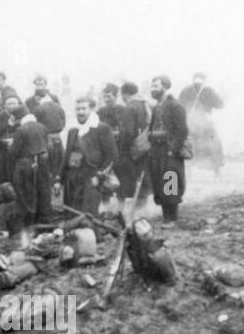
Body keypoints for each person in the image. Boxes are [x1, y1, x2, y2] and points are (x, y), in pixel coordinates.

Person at [62, 97, 118, 216]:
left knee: (89, 216)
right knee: (72, 214)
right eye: (78, 109)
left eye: (83, 108)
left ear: (92, 109)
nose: (80, 112)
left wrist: (99, 176)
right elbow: (68, 156)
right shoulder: (73, 130)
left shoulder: (102, 128)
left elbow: (112, 156)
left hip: (92, 178)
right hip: (74, 178)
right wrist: (58, 179)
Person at [146, 75, 188, 224]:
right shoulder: (156, 106)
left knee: (171, 182)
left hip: (169, 151)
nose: (153, 89)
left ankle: (172, 218)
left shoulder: (175, 106)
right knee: (159, 182)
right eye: (152, 86)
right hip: (156, 150)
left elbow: (182, 131)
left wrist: (173, 150)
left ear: (165, 87)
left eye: (156, 86)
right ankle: (166, 217)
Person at [8, 112, 52, 231]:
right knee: (42, 195)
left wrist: (9, 145)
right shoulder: (43, 127)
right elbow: (48, 146)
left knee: (26, 197)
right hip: (42, 165)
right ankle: (43, 227)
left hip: (25, 166)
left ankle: (27, 228)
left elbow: (13, 152)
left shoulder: (21, 130)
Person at [115, 81, 150, 214]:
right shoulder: (144, 103)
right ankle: (141, 208)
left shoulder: (130, 107)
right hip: (144, 147)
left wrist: (123, 149)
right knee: (141, 178)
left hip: (131, 150)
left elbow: (128, 132)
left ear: (125, 94)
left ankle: (124, 210)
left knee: (125, 180)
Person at [179, 73, 224, 173]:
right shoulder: (208, 91)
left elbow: (179, 106)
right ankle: (216, 171)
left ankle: (188, 171)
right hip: (205, 122)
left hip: (190, 122)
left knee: (189, 144)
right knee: (213, 144)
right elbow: (220, 104)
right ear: (204, 80)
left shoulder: (186, 90)